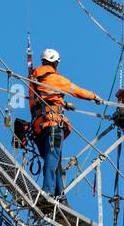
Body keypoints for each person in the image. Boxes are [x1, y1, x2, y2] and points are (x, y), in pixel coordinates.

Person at [28, 47, 103, 197]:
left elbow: (44, 98)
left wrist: (63, 103)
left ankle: (60, 196)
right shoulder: (55, 79)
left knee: (54, 161)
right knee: (53, 159)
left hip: (38, 128)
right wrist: (94, 96)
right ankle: (48, 191)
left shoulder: (33, 79)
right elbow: (76, 90)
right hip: (52, 124)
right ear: (55, 62)